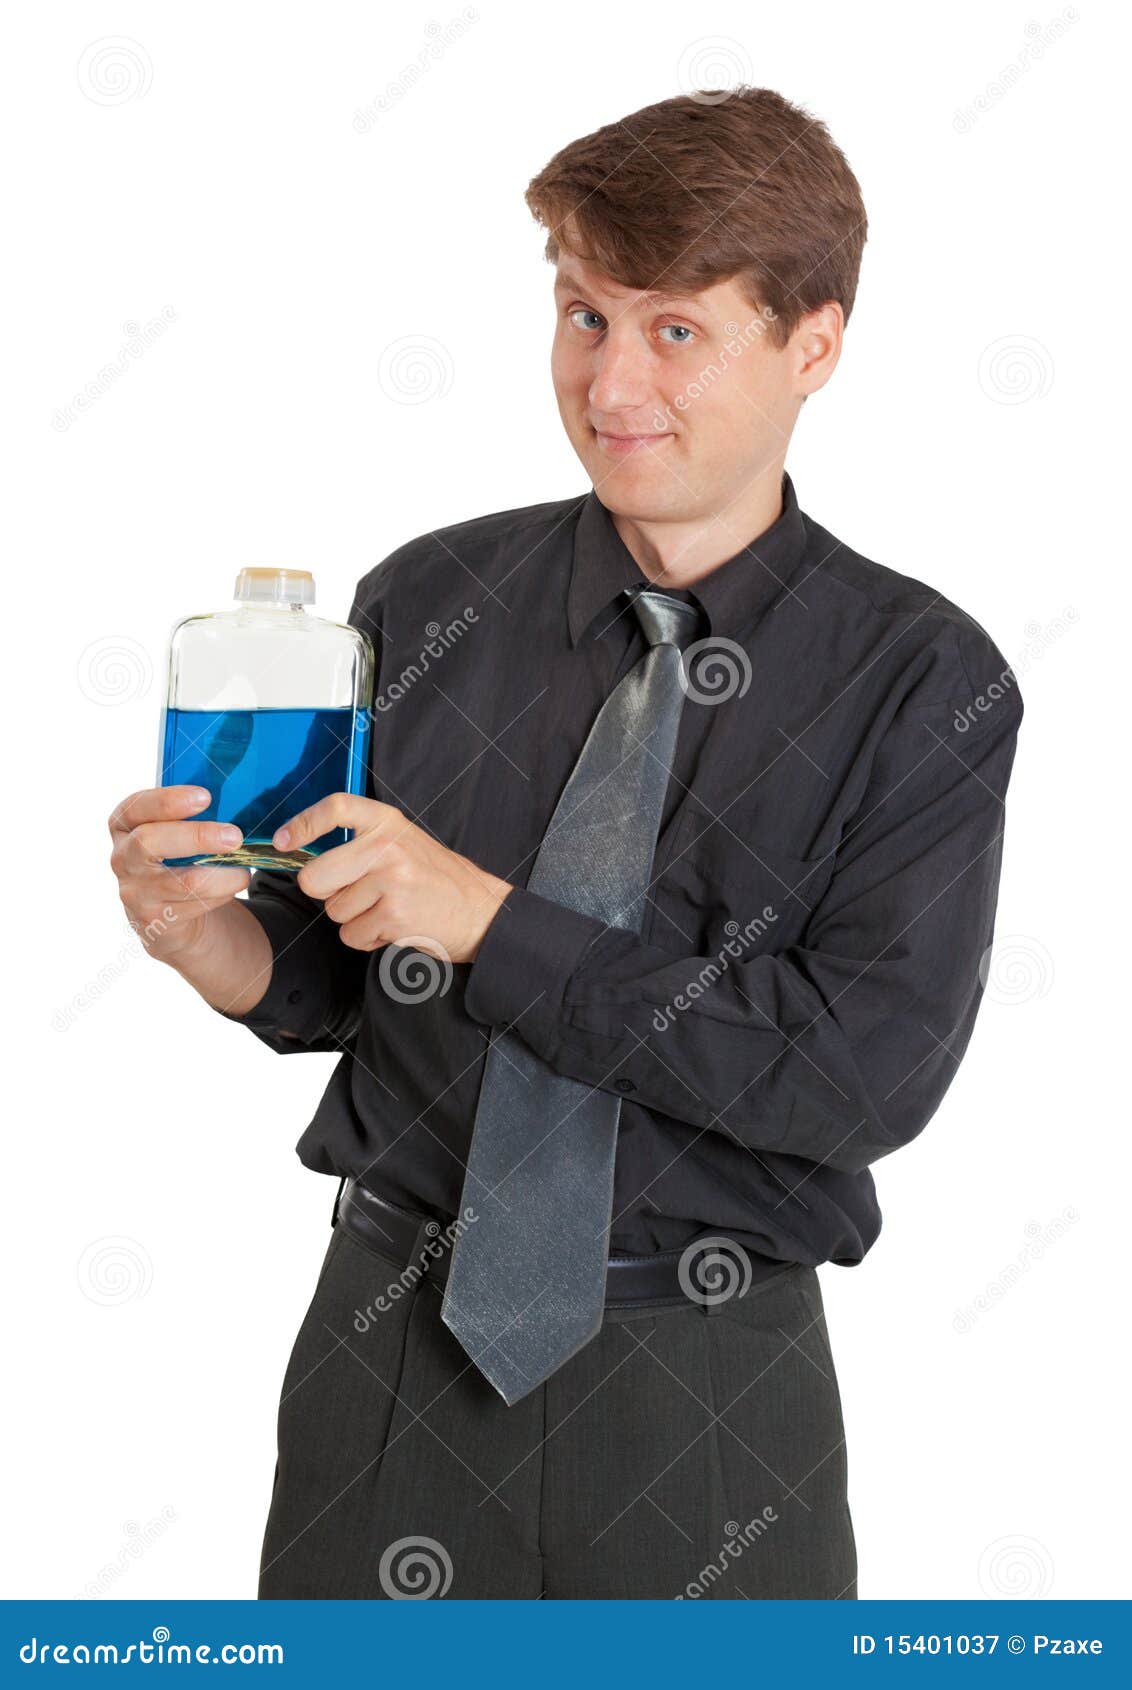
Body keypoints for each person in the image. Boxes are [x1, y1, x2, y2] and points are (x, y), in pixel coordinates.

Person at [109, 86, 1023, 1600]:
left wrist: (491, 921)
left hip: (710, 1390)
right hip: (388, 1353)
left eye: (677, 330)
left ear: (814, 345)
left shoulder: (921, 679)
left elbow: (859, 1077)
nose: (612, 381)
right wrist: (217, 945)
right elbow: (347, 980)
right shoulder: (427, 601)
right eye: (585, 315)